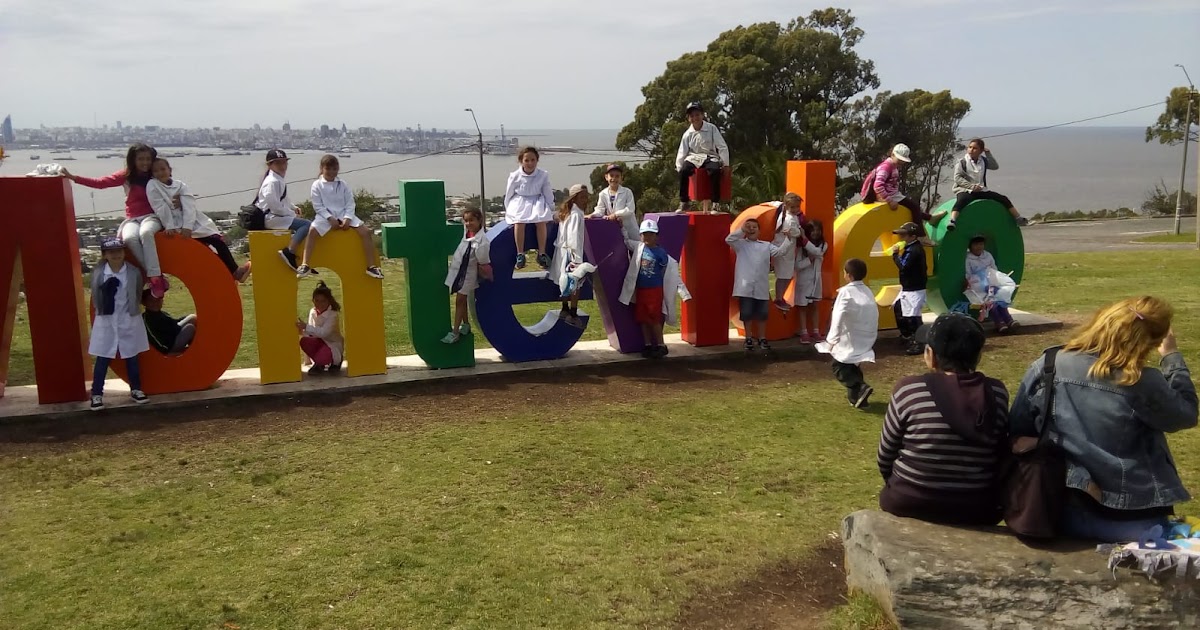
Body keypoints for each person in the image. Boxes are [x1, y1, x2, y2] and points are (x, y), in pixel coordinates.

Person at [1009, 296, 1198, 543]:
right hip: (1135, 517)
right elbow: (1185, 415)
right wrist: (1171, 357)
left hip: (1060, 509)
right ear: (1149, 343)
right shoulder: (1143, 381)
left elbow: (1017, 427)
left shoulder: (1049, 365)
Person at [877, 313, 1010, 525]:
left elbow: (885, 456)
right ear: (978, 356)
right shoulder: (997, 392)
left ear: (931, 355)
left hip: (908, 500)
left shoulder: (910, 389)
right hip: (977, 506)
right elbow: (998, 453)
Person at [62, 143, 171, 298]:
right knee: (129, 238)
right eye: (140, 159)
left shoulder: (155, 174)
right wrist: (74, 178)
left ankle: (154, 276)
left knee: (146, 233)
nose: (145, 162)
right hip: (132, 219)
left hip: (152, 217)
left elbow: (173, 188)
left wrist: (180, 202)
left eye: (148, 158)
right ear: (133, 160)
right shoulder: (126, 176)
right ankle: (155, 278)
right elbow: (101, 183)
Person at [145, 158, 250, 283]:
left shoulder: (180, 185)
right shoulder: (153, 185)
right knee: (203, 251)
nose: (160, 173)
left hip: (192, 223)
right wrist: (169, 226)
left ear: (170, 170)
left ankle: (233, 271)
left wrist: (187, 226)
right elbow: (159, 207)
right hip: (173, 226)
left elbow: (189, 204)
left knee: (217, 241)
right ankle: (226, 273)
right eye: (156, 171)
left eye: (162, 169)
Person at [88, 237, 151, 410]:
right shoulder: (99, 273)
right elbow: (95, 295)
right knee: (103, 358)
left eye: (119, 251)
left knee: (132, 356)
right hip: (106, 320)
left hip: (128, 318)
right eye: (111, 252)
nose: (116, 255)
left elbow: (137, 293)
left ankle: (136, 389)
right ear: (105, 255)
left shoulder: (133, 272)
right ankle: (96, 394)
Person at [299, 154, 383, 279]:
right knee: (312, 231)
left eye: (334, 169)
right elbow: (318, 206)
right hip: (325, 217)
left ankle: (371, 266)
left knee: (365, 232)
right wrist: (330, 218)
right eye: (328, 169)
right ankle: (305, 264)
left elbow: (350, 202)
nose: (331, 172)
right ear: (322, 168)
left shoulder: (342, 184)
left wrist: (348, 218)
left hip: (344, 214)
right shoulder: (317, 185)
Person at [619, 219, 691, 359]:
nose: (648, 237)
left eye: (651, 235)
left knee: (655, 318)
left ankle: (660, 345)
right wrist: (622, 228)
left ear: (657, 236)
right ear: (641, 236)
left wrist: (683, 293)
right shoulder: (639, 247)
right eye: (645, 234)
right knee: (643, 318)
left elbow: (670, 272)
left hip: (655, 290)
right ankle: (647, 345)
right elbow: (627, 242)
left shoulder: (661, 253)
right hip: (641, 290)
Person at [816, 258, 878, 409]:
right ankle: (857, 399)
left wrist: (831, 341)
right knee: (852, 367)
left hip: (850, 337)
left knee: (839, 367)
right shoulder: (867, 291)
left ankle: (861, 387)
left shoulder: (846, 292)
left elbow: (838, 317)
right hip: (866, 335)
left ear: (848, 275)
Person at [725, 218, 794, 353]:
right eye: (749, 227)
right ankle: (749, 338)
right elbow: (729, 239)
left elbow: (781, 252)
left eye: (754, 227)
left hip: (761, 286)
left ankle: (762, 338)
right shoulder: (740, 244)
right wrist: (741, 230)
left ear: (759, 230)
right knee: (747, 314)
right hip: (745, 286)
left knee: (762, 314)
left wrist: (789, 239)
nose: (751, 229)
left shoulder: (766, 245)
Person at [948, 138, 1028, 231]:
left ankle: (1018, 218)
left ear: (981, 151)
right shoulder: (962, 162)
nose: (971, 150)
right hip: (966, 190)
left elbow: (995, 166)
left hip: (981, 190)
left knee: (1003, 198)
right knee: (961, 201)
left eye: (975, 148)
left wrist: (988, 154)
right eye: (970, 147)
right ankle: (952, 221)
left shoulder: (984, 161)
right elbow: (957, 178)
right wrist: (971, 186)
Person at [255, 149, 311, 273]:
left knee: (302, 226)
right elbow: (275, 206)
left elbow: (282, 199)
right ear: (270, 165)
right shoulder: (272, 182)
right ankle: (290, 252)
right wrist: (291, 214)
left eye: (284, 163)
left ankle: (298, 256)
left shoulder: (277, 179)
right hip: (270, 217)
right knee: (306, 225)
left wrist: (293, 207)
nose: (282, 166)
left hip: (273, 216)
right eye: (278, 163)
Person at [442, 208, 493, 344]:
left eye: (472, 220)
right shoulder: (467, 232)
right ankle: (465, 325)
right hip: (458, 271)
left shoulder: (482, 241)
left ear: (479, 220)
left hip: (467, 275)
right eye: (466, 221)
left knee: (459, 301)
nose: (468, 223)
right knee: (461, 300)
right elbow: (458, 220)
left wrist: (487, 275)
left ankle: (455, 332)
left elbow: (483, 262)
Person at [861, 144, 932, 237]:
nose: (901, 163)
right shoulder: (886, 167)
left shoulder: (892, 165)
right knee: (914, 207)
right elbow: (878, 186)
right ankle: (920, 235)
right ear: (892, 155)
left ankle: (929, 218)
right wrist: (889, 201)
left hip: (892, 194)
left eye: (903, 161)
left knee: (911, 208)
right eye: (899, 160)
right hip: (888, 195)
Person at [504, 146, 554, 270]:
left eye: (533, 160)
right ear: (521, 161)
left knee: (540, 221)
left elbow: (547, 192)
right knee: (519, 222)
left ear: (537, 160)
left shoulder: (543, 175)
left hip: (536, 200)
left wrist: (551, 207)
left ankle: (541, 253)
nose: (530, 163)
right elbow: (509, 192)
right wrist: (508, 208)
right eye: (527, 160)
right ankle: (520, 253)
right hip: (520, 201)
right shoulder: (515, 175)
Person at [549, 184, 593, 329]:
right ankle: (573, 314)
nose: (585, 200)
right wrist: (576, 261)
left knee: (565, 283)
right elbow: (573, 236)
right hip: (571, 254)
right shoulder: (575, 215)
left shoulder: (567, 213)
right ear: (574, 199)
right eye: (582, 197)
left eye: (586, 197)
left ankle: (564, 308)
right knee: (575, 284)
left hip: (562, 252)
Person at [675, 102, 730, 214]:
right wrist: (679, 167)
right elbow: (682, 151)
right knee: (684, 170)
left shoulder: (711, 128)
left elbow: (722, 146)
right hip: (694, 157)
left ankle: (715, 203)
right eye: (692, 116)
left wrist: (726, 164)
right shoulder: (688, 134)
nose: (695, 118)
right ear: (689, 118)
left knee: (715, 171)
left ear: (702, 115)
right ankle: (684, 202)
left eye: (697, 114)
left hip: (710, 156)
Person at [965, 235, 1017, 334]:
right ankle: (999, 322)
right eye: (976, 245)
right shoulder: (968, 258)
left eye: (981, 244)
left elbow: (994, 269)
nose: (979, 247)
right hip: (977, 285)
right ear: (970, 246)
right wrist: (978, 283)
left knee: (999, 297)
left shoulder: (987, 255)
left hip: (991, 282)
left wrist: (994, 281)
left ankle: (1009, 320)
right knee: (989, 301)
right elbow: (968, 274)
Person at [890, 222, 927, 355]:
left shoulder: (914, 249)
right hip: (908, 287)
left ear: (913, 236)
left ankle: (919, 342)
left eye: (904, 234)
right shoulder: (910, 247)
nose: (901, 237)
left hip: (914, 288)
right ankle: (908, 336)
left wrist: (895, 255)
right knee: (899, 309)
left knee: (912, 316)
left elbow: (904, 266)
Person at [296, 281, 344, 375]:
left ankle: (335, 362)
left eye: (323, 301)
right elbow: (310, 331)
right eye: (317, 300)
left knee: (324, 355)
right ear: (313, 300)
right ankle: (319, 363)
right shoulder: (313, 311)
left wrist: (306, 327)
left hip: (331, 343)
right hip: (318, 342)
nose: (319, 304)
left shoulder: (333, 314)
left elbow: (324, 333)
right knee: (304, 341)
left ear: (329, 301)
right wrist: (302, 331)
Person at [793, 219, 829, 344]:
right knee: (802, 306)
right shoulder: (801, 249)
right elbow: (797, 266)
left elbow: (817, 252)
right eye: (812, 230)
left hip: (816, 281)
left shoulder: (823, 245)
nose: (815, 233)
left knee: (814, 305)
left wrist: (804, 238)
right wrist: (809, 260)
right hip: (804, 281)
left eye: (818, 230)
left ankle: (816, 330)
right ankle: (804, 332)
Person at [771, 193, 804, 313]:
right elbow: (796, 233)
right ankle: (779, 298)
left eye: (797, 207)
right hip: (783, 250)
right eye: (793, 207)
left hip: (788, 251)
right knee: (783, 276)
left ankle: (781, 297)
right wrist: (800, 231)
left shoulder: (788, 215)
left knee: (788, 275)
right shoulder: (788, 219)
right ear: (787, 206)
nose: (796, 210)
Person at [589, 163, 639, 242]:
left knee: (635, 251)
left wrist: (615, 215)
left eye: (617, 176)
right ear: (606, 177)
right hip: (615, 228)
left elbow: (630, 209)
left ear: (621, 178)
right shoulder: (603, 194)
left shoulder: (627, 192)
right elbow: (600, 210)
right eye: (611, 176)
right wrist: (592, 215)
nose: (614, 179)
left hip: (630, 228)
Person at [142, 289, 197, 356]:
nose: (155, 302)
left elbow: (173, 323)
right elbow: (153, 339)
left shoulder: (160, 313)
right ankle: (195, 349)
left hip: (174, 334)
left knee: (193, 317)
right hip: (169, 346)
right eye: (151, 300)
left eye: (158, 299)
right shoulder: (148, 319)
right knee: (190, 328)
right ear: (144, 302)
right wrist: (166, 353)